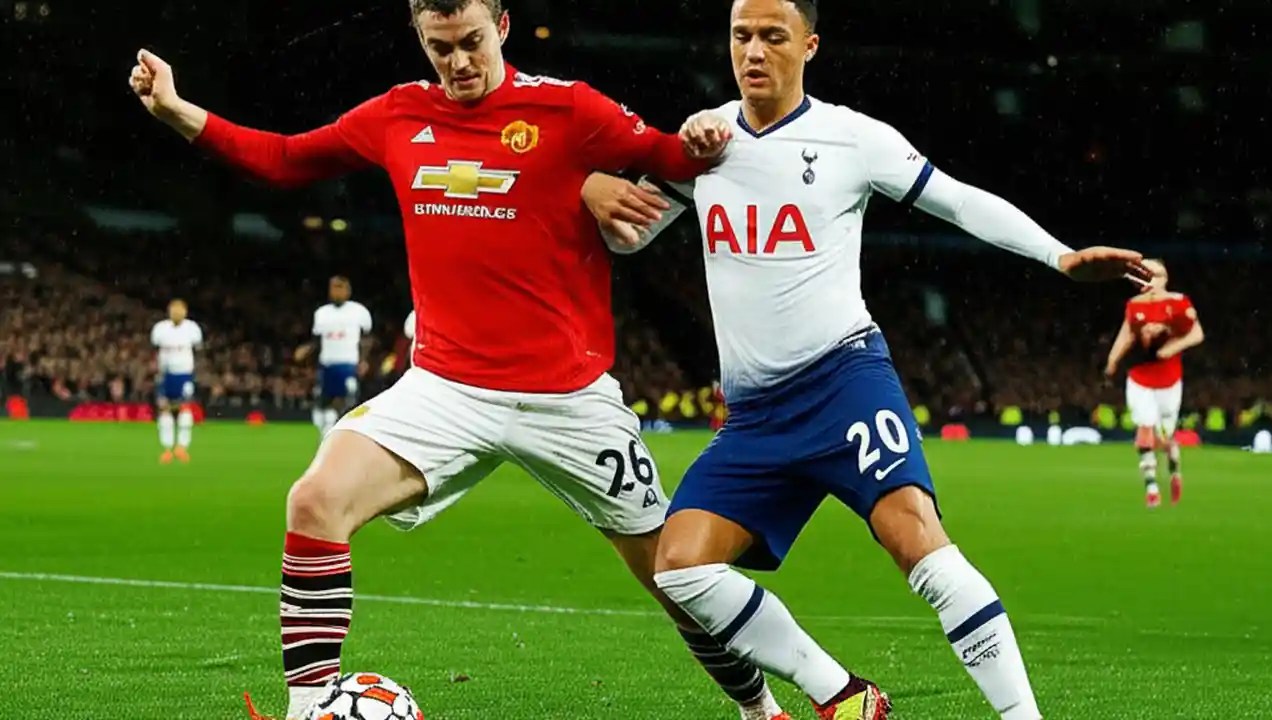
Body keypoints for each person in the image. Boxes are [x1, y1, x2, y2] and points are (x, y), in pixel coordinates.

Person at [128, 1, 792, 719]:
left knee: (674, 577)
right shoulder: (397, 115)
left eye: (472, 42)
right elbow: (287, 160)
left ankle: (760, 711)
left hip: (568, 399)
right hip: (444, 389)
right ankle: (310, 708)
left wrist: (700, 134)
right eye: (440, 47)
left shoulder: (568, 110)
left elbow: (672, 158)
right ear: (420, 36)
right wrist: (174, 110)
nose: (459, 63)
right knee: (314, 501)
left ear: (501, 27)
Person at [583, 1, 1152, 717]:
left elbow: (957, 201)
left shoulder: (852, 138)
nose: (753, 52)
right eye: (740, 36)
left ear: (810, 45)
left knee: (915, 541)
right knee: (679, 567)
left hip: (843, 383)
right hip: (756, 418)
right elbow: (627, 238)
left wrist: (1060, 255)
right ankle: (841, 695)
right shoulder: (707, 141)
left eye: (772, 37)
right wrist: (599, 182)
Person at [1105, 259, 1204, 507]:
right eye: (1144, 276)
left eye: (1155, 275)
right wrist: (1112, 359)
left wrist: (1171, 348)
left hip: (1169, 382)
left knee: (1165, 438)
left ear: (1164, 279)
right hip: (1140, 378)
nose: (1150, 281)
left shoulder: (1179, 303)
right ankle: (1151, 488)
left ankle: (1174, 471)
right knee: (1145, 429)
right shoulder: (1134, 307)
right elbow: (1127, 334)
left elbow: (1196, 333)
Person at [296, 276, 373, 437]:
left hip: (349, 363)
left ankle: (343, 432)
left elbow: (367, 338)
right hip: (327, 364)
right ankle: (325, 433)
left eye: (340, 287)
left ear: (348, 290)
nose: (336, 291)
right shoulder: (322, 314)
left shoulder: (359, 311)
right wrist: (307, 351)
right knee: (323, 402)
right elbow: (317, 341)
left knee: (349, 399)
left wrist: (364, 360)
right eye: (333, 287)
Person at [150, 298, 202, 463]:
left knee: (185, 408)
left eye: (180, 310)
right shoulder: (160, 329)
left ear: (185, 312)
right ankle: (166, 448)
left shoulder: (192, 329)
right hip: (165, 374)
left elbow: (198, 347)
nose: (177, 313)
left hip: (184, 374)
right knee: (164, 408)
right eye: (174, 310)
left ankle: (182, 447)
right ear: (169, 312)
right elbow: (155, 347)